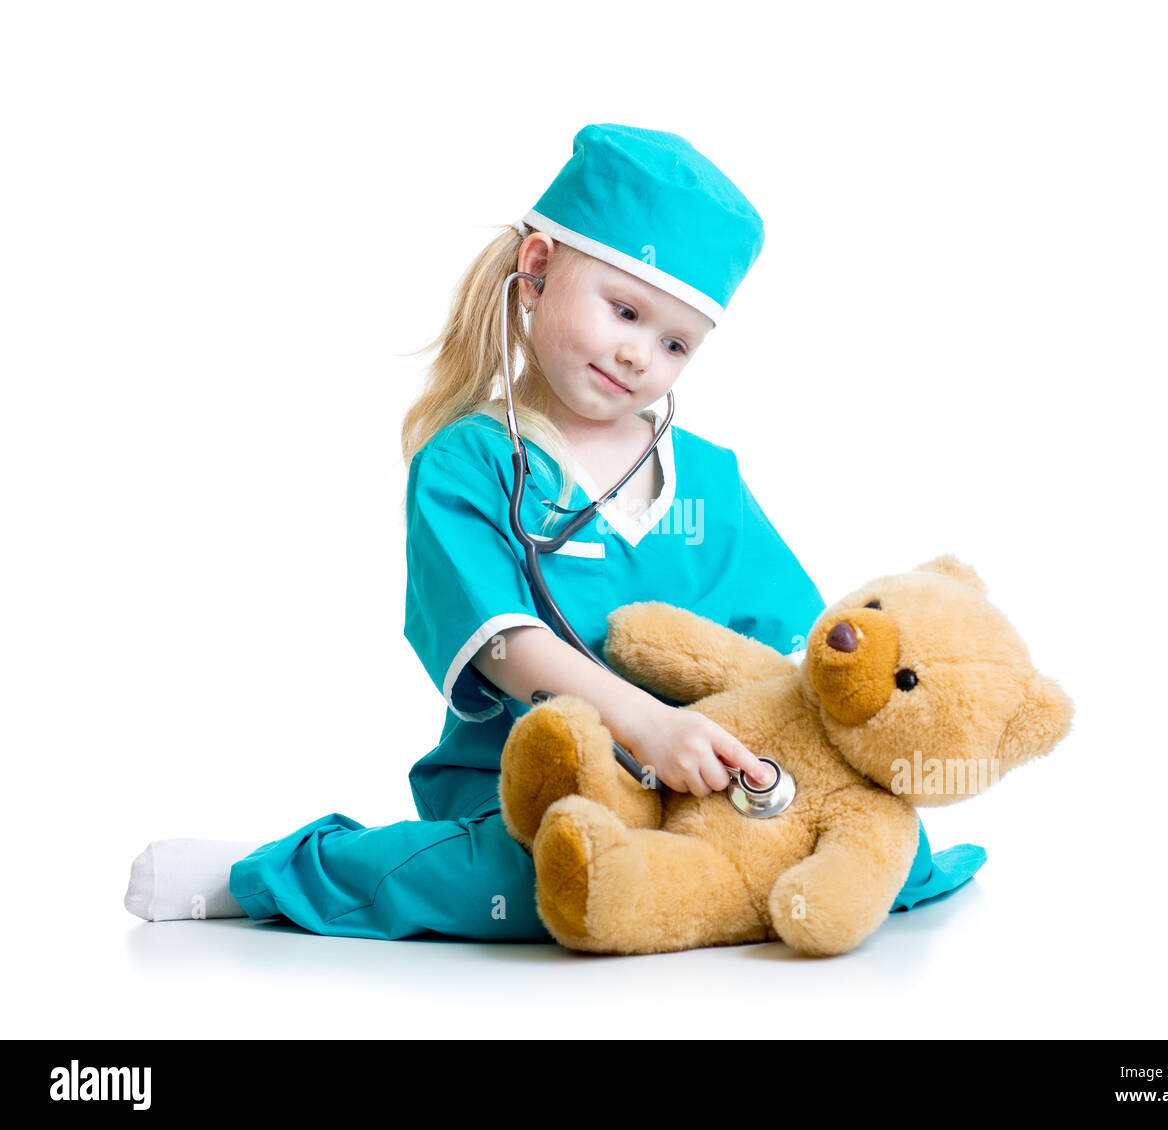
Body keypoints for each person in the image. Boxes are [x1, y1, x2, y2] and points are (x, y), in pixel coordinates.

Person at [123, 123, 985, 941]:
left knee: (881, 864)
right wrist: (646, 726)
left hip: (702, 789)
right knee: (542, 879)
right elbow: (504, 644)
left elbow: (789, 651)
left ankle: (695, 884)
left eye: (677, 343)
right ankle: (267, 876)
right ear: (536, 269)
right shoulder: (472, 463)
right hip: (536, 782)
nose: (642, 354)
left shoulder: (709, 479)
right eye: (624, 311)